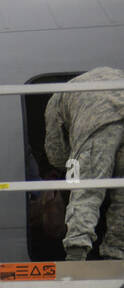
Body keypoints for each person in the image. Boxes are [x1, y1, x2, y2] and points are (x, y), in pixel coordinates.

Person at [44, 67, 124, 261]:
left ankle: (76, 250)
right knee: (122, 193)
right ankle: (116, 251)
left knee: (85, 188)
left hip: (97, 120)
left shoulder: (59, 98)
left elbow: (55, 152)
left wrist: (70, 164)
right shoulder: (114, 76)